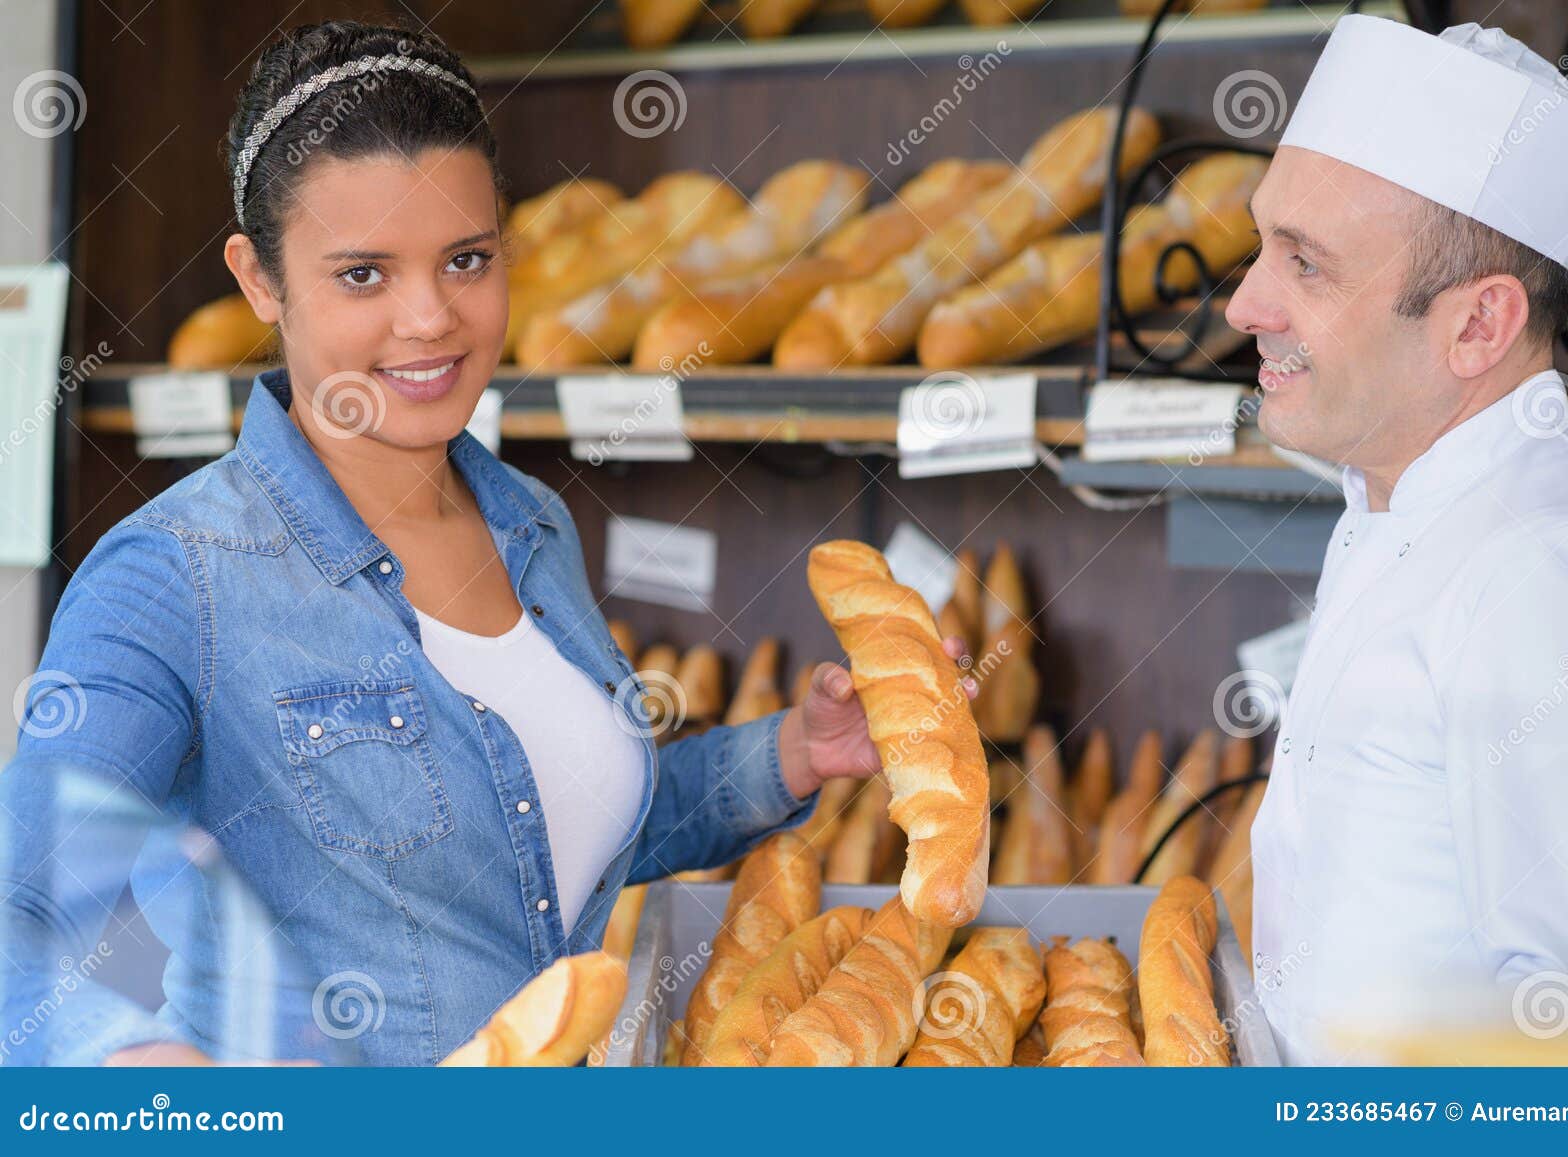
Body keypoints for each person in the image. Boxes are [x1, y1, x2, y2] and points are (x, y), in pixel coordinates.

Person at [0, 19, 975, 1066]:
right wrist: (150, 1072)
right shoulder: (172, 574)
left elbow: (526, 847)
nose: (430, 319)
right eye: (364, 274)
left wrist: (791, 753)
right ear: (260, 280)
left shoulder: (531, 524)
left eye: (465, 259)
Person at [1224, 15, 1568, 1064]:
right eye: (1264, 243)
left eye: (1306, 264)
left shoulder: (1532, 573)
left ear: (1477, 326)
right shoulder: (1398, 498)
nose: (1242, 302)